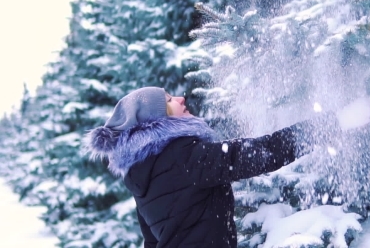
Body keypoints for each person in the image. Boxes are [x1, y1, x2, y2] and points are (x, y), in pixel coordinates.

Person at [86, 86, 342, 248]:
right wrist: (320, 128)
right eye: (168, 100)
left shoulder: (141, 174)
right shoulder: (181, 156)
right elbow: (255, 153)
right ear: (157, 119)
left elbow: (152, 241)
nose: (180, 98)